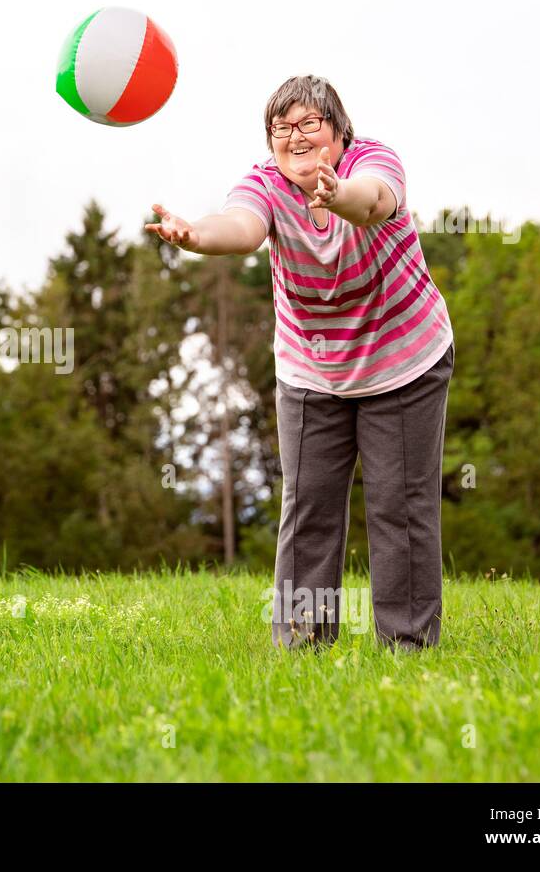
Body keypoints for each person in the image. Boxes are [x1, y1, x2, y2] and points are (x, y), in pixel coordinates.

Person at [147, 74, 454, 652]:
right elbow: (239, 228)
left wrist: (336, 195)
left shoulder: (374, 162)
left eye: (309, 123)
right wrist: (194, 235)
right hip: (312, 371)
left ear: (338, 131)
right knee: (308, 506)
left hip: (405, 360)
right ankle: (302, 643)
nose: (294, 136)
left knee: (399, 506)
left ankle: (408, 646)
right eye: (281, 129)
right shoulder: (265, 185)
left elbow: (373, 201)